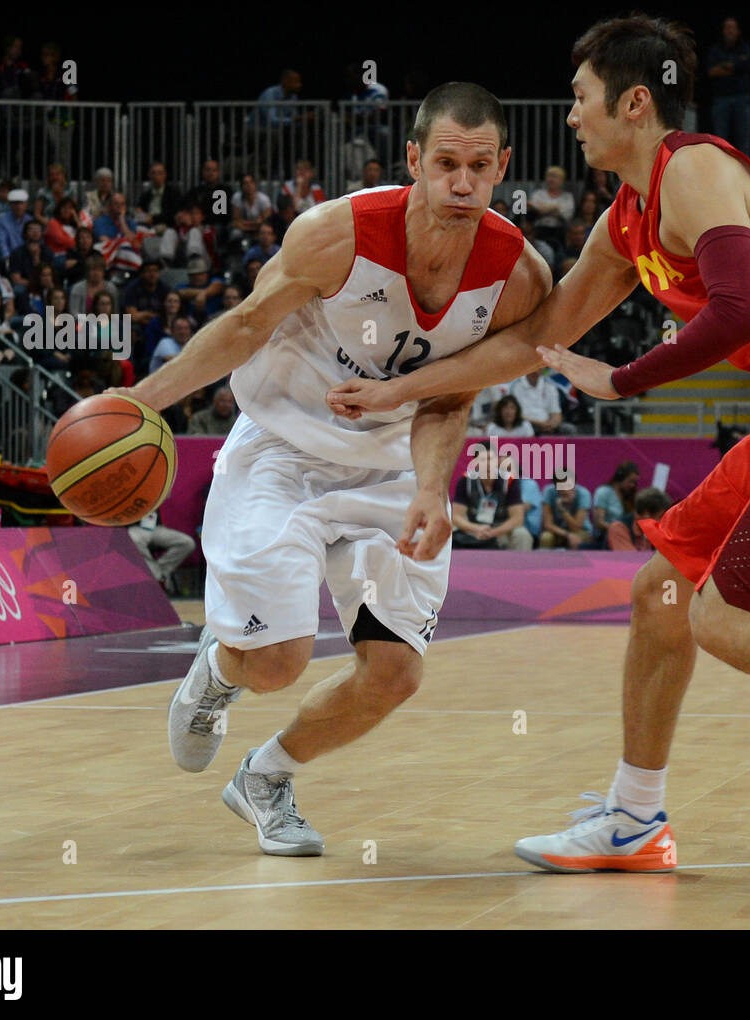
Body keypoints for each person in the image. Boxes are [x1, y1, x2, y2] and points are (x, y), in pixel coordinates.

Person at [328, 15, 750, 871]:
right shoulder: (628, 218)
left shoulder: (695, 169)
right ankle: (634, 818)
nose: (572, 115)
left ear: (634, 101)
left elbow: (741, 313)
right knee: (663, 593)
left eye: (582, 98)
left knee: (726, 619)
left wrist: (619, 382)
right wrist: (400, 389)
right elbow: (538, 334)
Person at [111, 83, 550, 856]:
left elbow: (453, 399)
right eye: (445, 162)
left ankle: (266, 778)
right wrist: (141, 404)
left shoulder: (518, 276)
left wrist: (428, 488)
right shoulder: (335, 233)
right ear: (414, 158)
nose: (461, 183)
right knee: (276, 663)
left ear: (502, 166)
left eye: (479, 167)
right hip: (284, 450)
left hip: (389, 470)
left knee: (395, 675)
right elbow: (246, 324)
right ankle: (218, 671)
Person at [451, 448, 534, 550]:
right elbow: (456, 516)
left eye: (491, 459)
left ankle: (522, 565)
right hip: (473, 529)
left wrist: (492, 532)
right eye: (482, 460)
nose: (488, 464)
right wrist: (475, 529)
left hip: (501, 529)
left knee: (522, 534)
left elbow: (517, 518)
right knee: (449, 530)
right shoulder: (465, 480)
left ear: (497, 461)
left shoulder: (510, 480)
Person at [705, 16, 750, 153]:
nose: (730, 31)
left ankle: (743, 174)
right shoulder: (715, 50)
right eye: (727, 27)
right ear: (723, 31)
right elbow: (712, 72)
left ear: (738, 31)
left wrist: (724, 67)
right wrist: (735, 67)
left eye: (733, 28)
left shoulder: (745, 48)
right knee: (721, 142)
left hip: (742, 99)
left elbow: (746, 66)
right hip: (721, 99)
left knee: (744, 143)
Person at [128, 510, 196, 593]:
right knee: (134, 539)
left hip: (155, 527)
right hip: (133, 527)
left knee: (187, 543)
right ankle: (159, 580)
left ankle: (158, 575)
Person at [539, 475, 595, 549]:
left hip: (581, 530)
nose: (565, 490)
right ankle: (544, 560)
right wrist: (567, 534)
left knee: (576, 540)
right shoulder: (548, 492)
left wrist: (562, 509)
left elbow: (575, 528)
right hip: (557, 530)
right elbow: (547, 524)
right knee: (546, 537)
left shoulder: (584, 494)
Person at [591, 461, 638, 547]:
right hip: (605, 537)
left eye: (635, 482)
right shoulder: (603, 492)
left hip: (626, 536)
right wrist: (618, 531)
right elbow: (599, 523)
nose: (633, 485)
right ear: (620, 478)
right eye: (630, 481)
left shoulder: (630, 496)